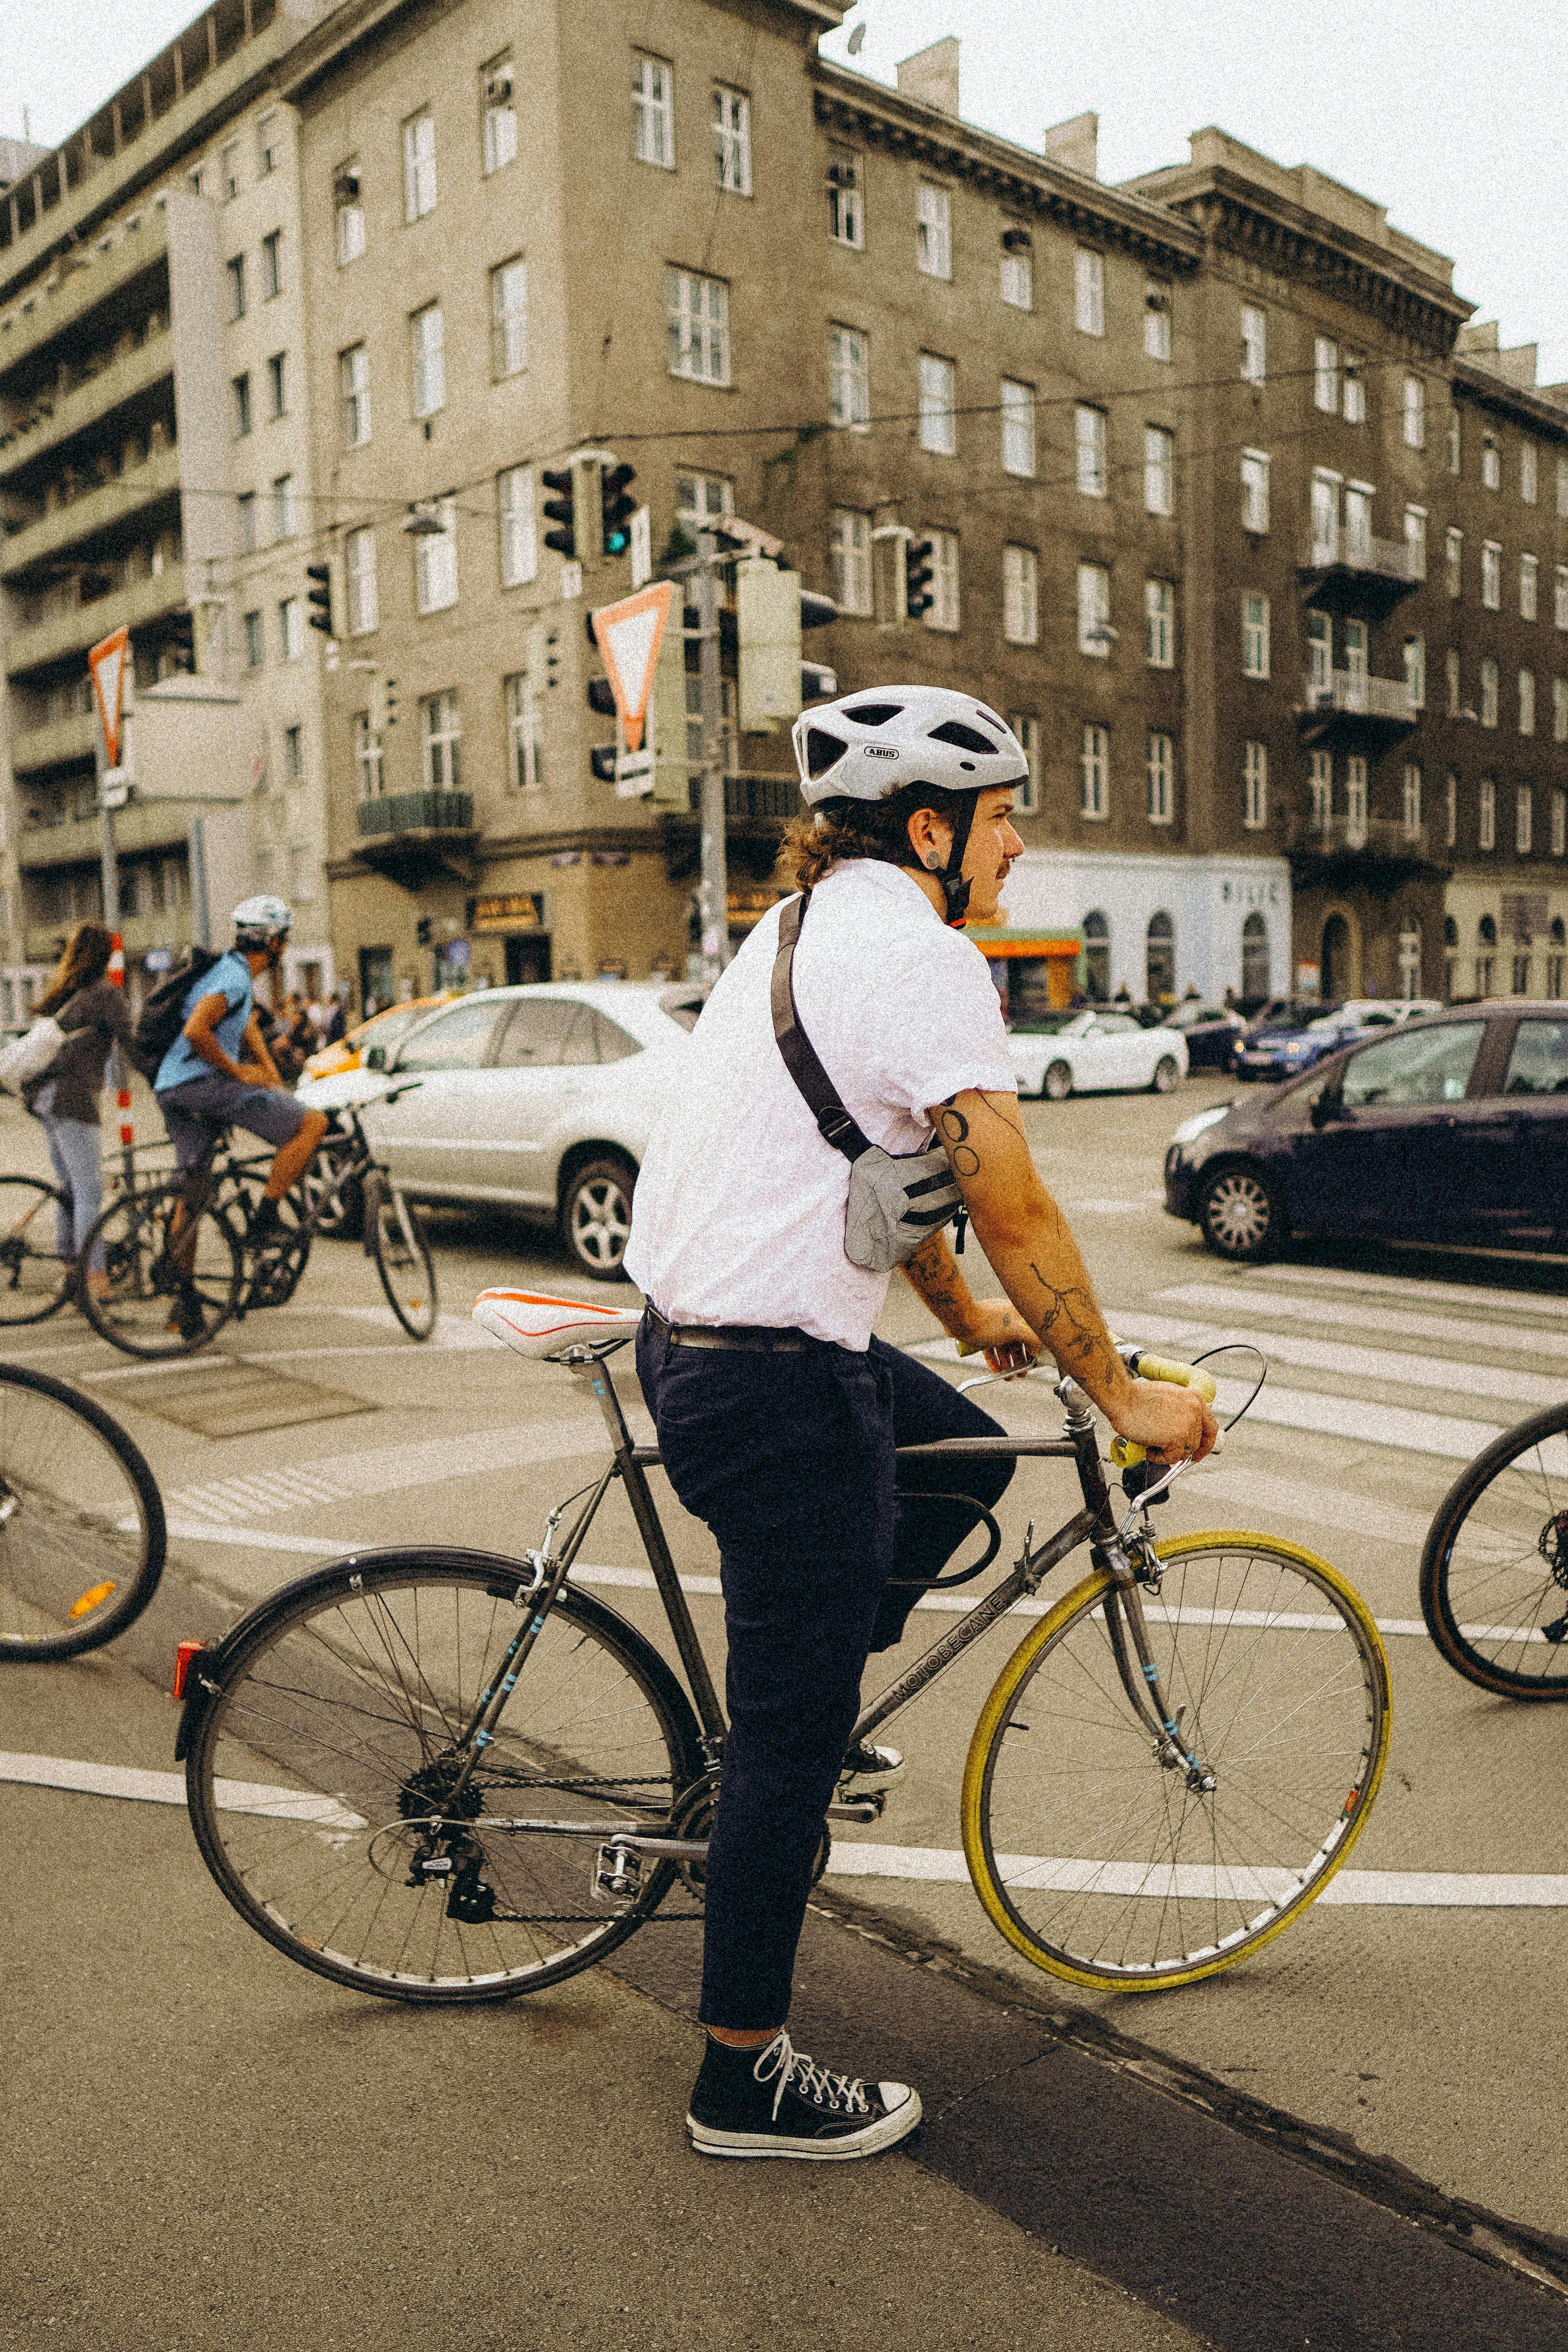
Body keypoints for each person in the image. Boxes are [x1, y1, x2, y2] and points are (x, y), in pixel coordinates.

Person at [625, 685, 1217, 2164]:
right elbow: (1008, 1194)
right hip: (773, 1385)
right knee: (785, 1740)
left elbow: (885, 1167)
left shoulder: (799, 930)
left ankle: (796, 1720)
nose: (1017, 845)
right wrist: (1123, 1394)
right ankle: (739, 2077)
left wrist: (965, 1326)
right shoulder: (923, 958)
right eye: (1005, 817)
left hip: (712, 1346)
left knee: (951, 1474)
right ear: (934, 828)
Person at [153, 896, 329, 1337]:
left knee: (193, 1191)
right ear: (270, 942)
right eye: (284, 939)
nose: (286, 947)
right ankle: (265, 1220)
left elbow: (243, 1024)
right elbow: (198, 1030)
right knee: (313, 1124)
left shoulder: (230, 973)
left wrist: (268, 1075)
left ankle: (185, 1299)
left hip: (171, 1087)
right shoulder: (233, 977)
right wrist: (236, 1072)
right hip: (202, 1084)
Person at [20, 921, 133, 1302]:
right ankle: (95, 1278)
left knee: (70, 1189)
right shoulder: (105, 994)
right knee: (89, 1193)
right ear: (109, 954)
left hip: (45, 1099)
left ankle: (71, 1271)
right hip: (72, 1101)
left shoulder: (72, 991)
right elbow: (133, 1043)